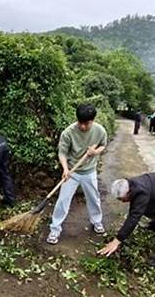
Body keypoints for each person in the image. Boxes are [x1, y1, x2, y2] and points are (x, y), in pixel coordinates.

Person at [46, 104, 107, 245]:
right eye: (80, 123)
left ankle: (97, 222)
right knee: (62, 201)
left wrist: (96, 152)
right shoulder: (68, 132)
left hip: (89, 171)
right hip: (72, 172)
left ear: (93, 120)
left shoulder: (100, 131)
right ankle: (54, 230)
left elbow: (103, 145)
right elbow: (62, 152)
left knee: (94, 198)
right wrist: (65, 169)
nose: (83, 127)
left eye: (87, 123)